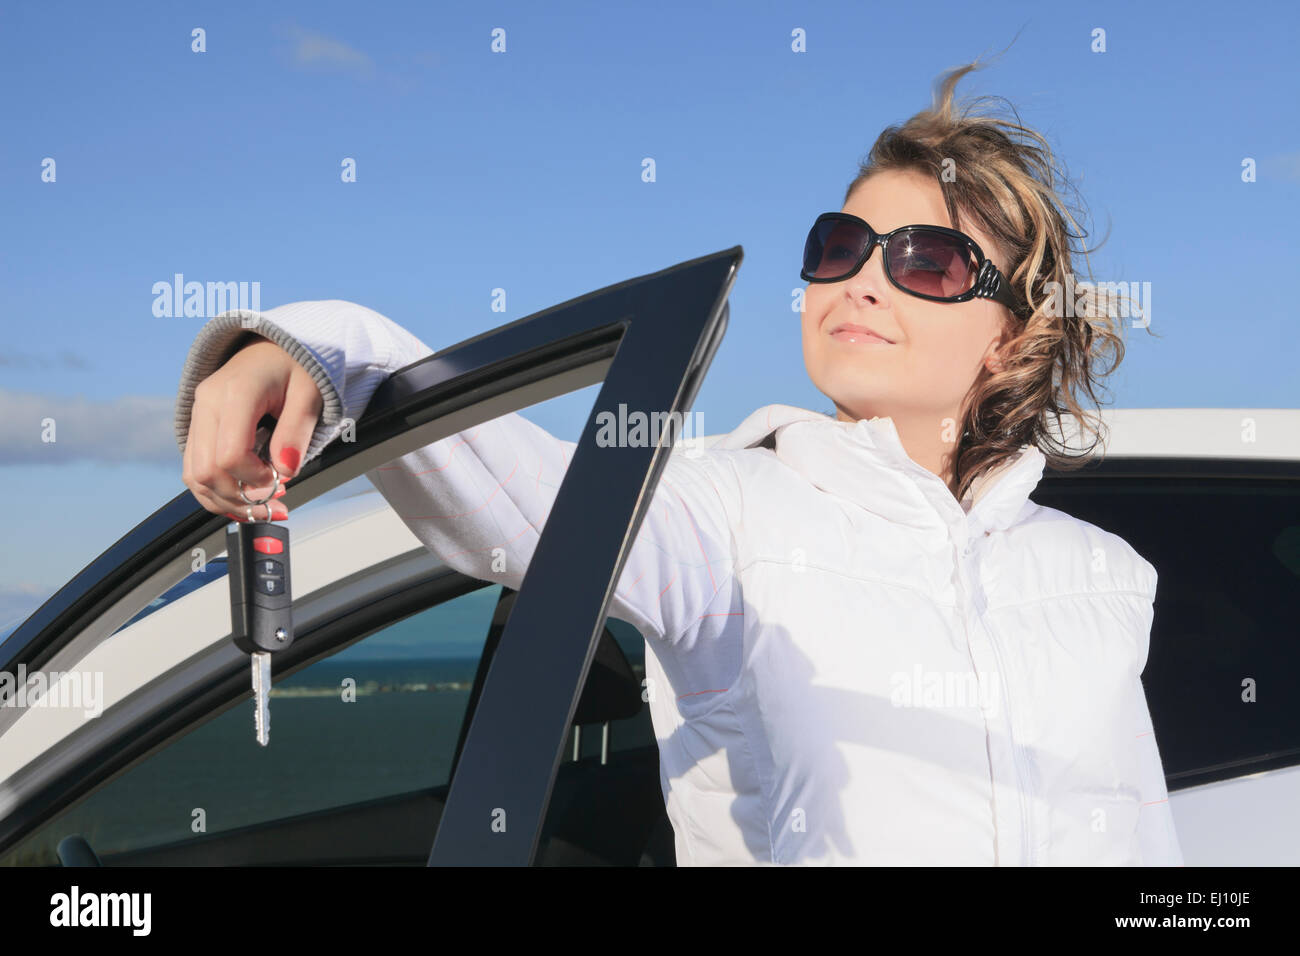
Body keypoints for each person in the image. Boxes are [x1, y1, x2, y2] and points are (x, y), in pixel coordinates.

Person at [175, 60, 1182, 866]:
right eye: (841, 246)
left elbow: (1140, 837)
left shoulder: (1101, 575)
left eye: (924, 260)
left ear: (1011, 337)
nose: (864, 280)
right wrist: (317, 348)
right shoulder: (725, 512)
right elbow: (519, 510)